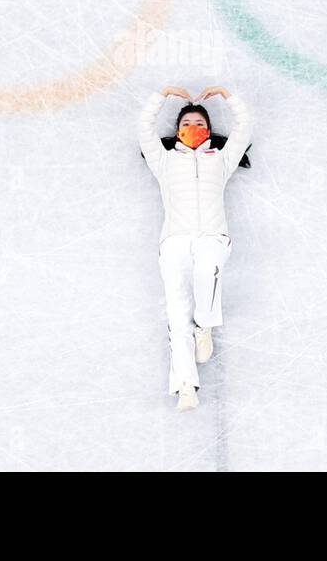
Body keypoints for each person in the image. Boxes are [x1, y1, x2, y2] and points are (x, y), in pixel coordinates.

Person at [139, 85, 253, 411]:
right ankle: (186, 386)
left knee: (207, 272)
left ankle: (204, 324)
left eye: (200, 124)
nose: (194, 128)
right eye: (187, 123)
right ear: (177, 131)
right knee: (177, 314)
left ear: (208, 131)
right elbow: (144, 128)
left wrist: (228, 95)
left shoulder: (221, 159)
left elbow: (244, 129)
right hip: (174, 240)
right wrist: (160, 95)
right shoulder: (163, 161)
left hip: (213, 238)